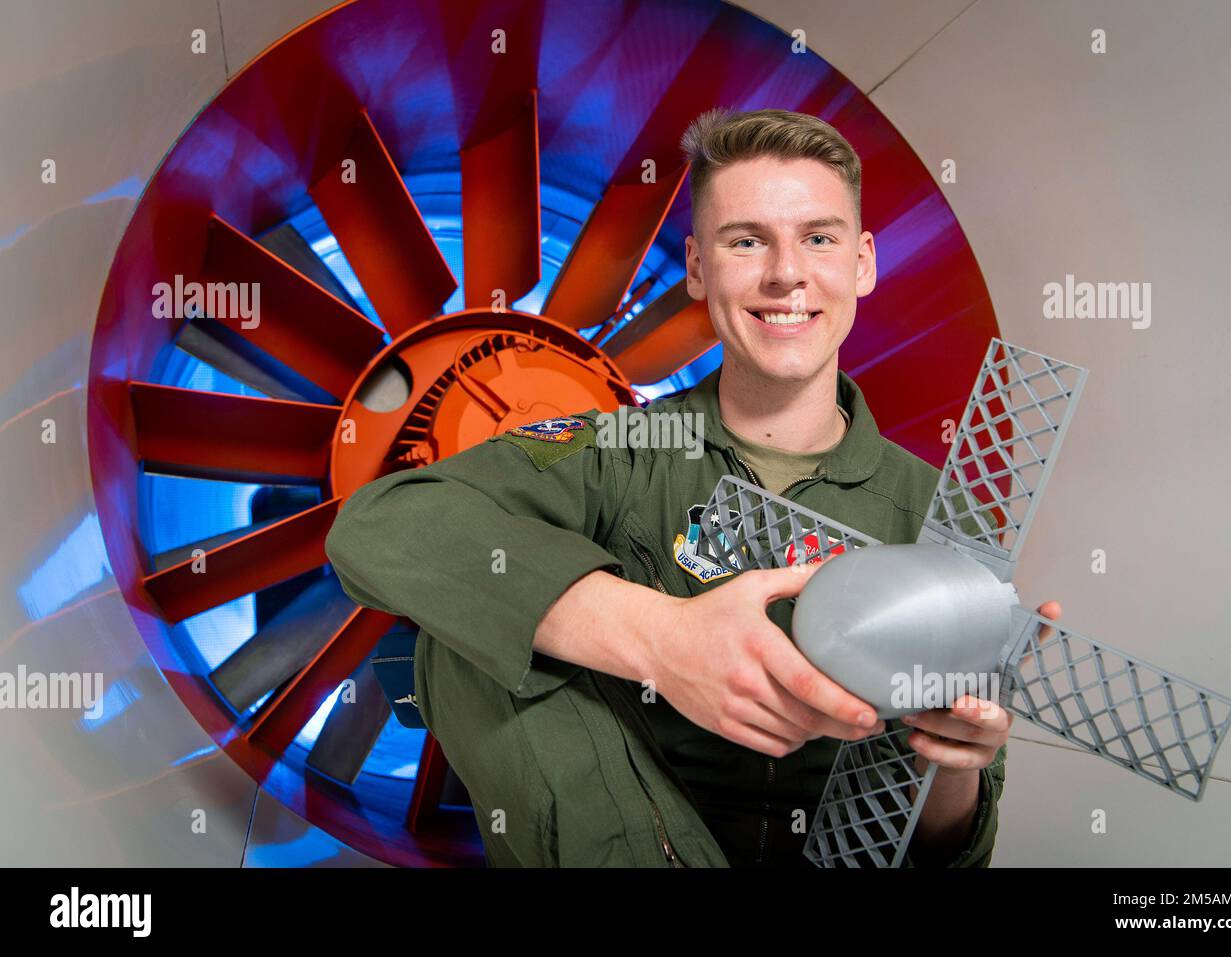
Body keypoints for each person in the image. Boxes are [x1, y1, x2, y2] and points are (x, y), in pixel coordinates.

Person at [324, 107, 1060, 867]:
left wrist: (951, 760)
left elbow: (955, 857)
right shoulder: (620, 450)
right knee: (468, 631)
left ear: (863, 263)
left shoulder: (942, 514)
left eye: (819, 238)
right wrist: (659, 639)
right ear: (699, 268)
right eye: (747, 241)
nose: (785, 273)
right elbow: (378, 525)